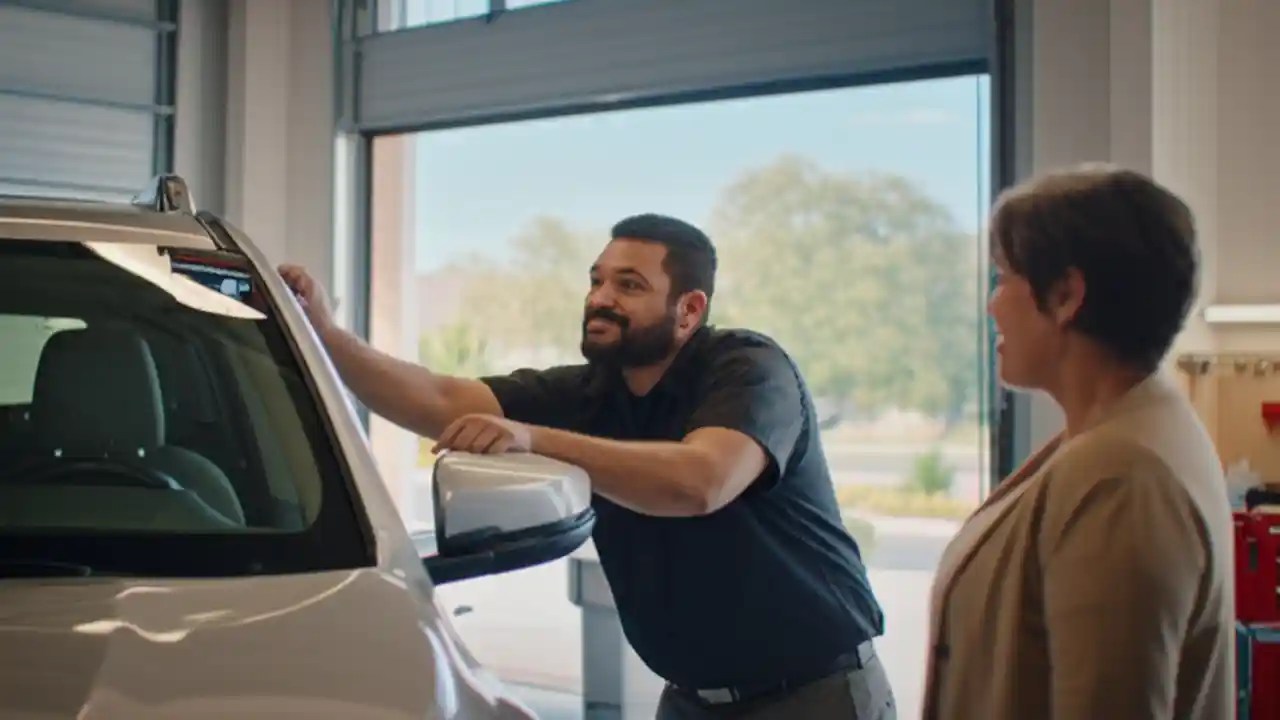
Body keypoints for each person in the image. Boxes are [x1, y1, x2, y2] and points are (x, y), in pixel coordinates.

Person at [281, 213, 895, 719]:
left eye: (629, 285)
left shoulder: (750, 370)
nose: (601, 298)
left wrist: (532, 440)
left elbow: (699, 482)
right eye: (597, 280)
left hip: (817, 696)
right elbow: (439, 401)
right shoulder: (590, 395)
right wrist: (325, 334)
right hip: (688, 701)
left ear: (689, 310)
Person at [922, 165, 1234, 719]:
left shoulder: (1122, 474)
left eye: (1002, 279)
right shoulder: (1121, 433)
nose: (992, 306)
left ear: (1066, 295)